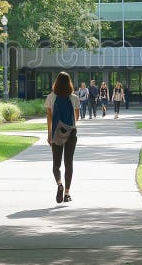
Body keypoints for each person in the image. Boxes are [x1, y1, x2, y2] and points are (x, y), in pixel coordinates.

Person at [45, 71, 80, 203]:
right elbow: (76, 118)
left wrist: (49, 134)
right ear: (69, 83)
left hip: (56, 133)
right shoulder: (74, 98)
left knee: (56, 164)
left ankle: (60, 184)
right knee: (68, 163)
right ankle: (67, 194)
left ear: (56, 82)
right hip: (71, 133)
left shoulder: (50, 97)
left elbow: (49, 117)